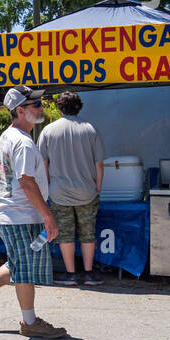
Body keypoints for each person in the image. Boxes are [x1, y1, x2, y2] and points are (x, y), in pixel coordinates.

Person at [0, 86, 65, 339]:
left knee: (20, 262)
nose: (41, 108)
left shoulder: (9, 136)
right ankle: (29, 322)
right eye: (36, 105)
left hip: (12, 214)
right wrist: (48, 215)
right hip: (21, 216)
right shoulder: (22, 142)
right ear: (20, 110)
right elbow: (26, 181)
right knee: (26, 270)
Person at [38, 91, 106, 286]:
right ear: (79, 107)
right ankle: (90, 273)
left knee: (66, 233)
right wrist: (98, 186)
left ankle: (71, 275)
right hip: (87, 191)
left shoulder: (49, 131)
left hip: (59, 192)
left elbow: (43, 163)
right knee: (88, 233)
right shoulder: (90, 129)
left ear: (59, 108)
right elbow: (99, 163)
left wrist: (48, 186)